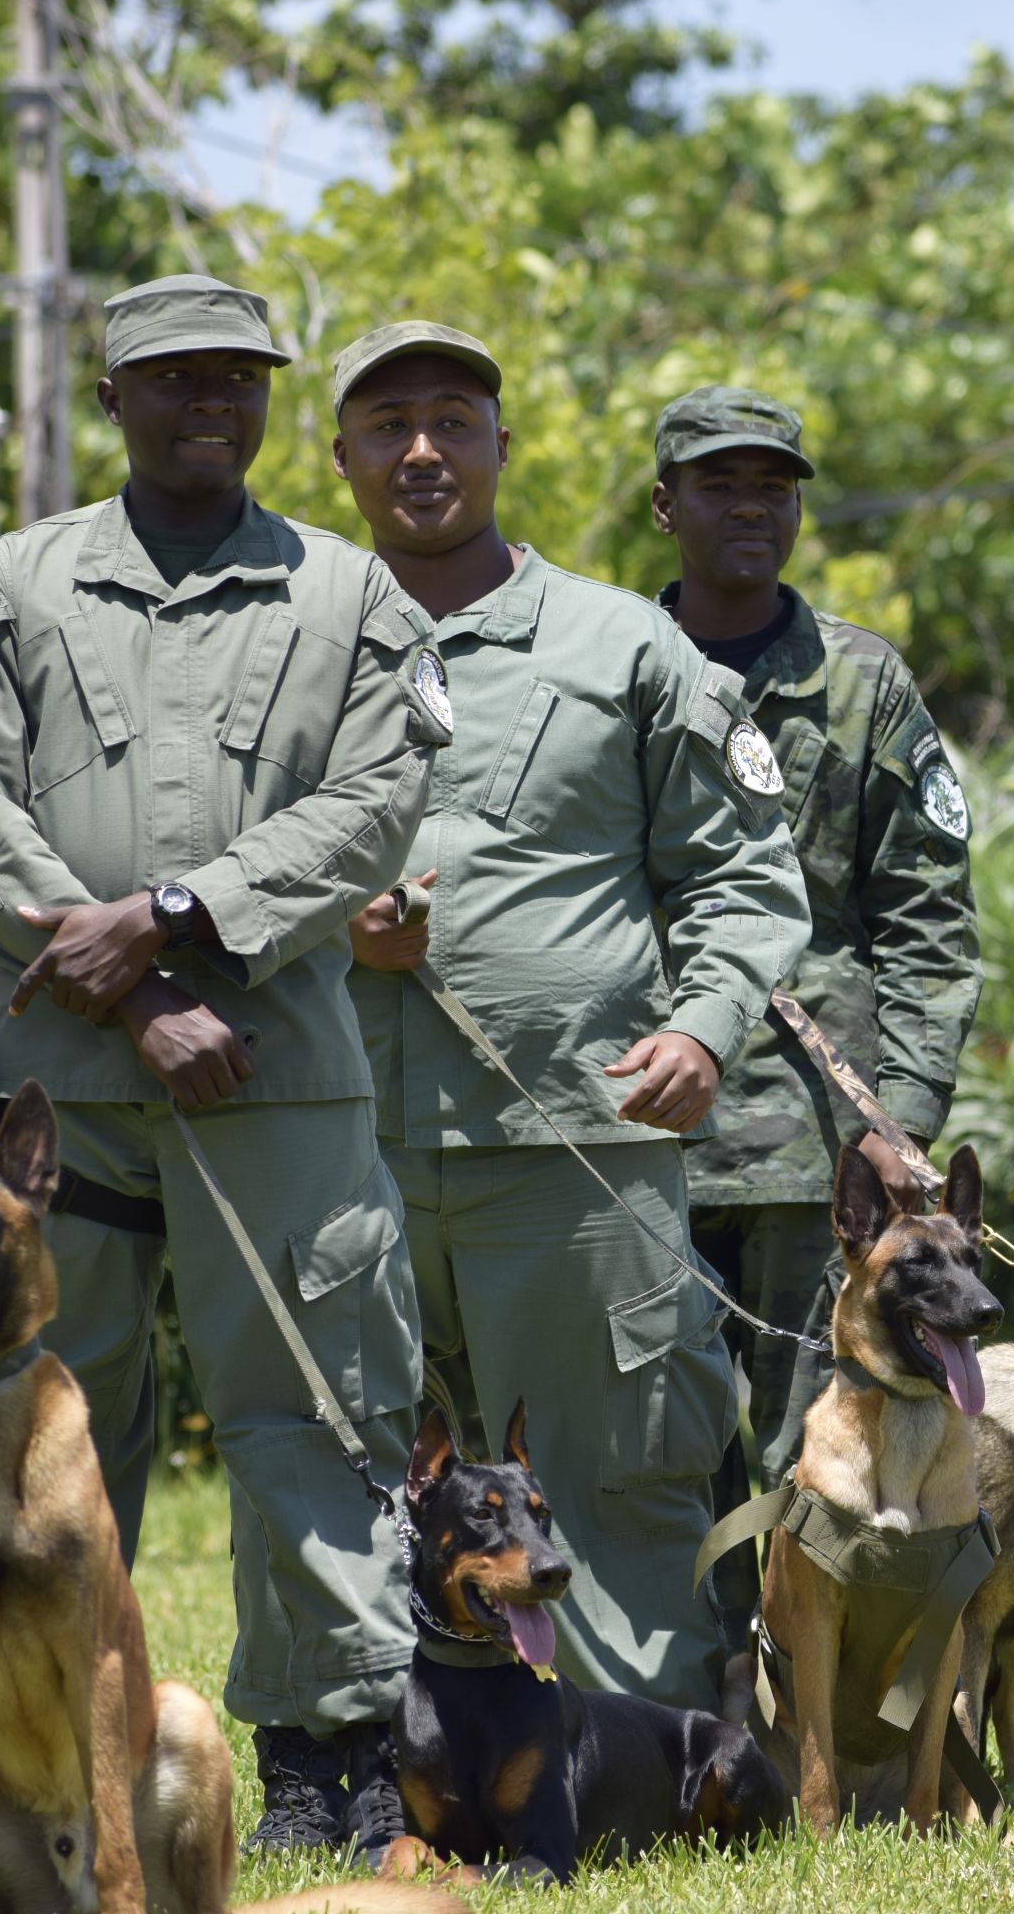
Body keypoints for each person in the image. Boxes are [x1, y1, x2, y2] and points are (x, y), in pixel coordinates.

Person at [0, 274, 447, 1860]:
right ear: (114, 391)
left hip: (272, 1073)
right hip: (55, 1099)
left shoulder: (353, 596)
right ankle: (44, 1777)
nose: (209, 398)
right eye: (172, 376)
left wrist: (184, 914)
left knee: (314, 1415)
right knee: (51, 1433)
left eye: (238, 375)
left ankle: (334, 1770)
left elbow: (374, 808)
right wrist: (134, 999)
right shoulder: (3, 591)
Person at [330, 321, 807, 1716]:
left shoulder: (626, 642)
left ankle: (648, 1773)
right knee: (356, 1485)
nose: (423, 449)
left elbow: (743, 866)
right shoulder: (293, 637)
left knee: (616, 1477)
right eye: (388, 424)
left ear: (499, 444)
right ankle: (376, 1780)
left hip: (575, 1153)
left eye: (455, 420)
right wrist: (326, 928)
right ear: (344, 453)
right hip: (339, 1142)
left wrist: (706, 1027)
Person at [649, 387, 981, 1638]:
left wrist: (908, 1119)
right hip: (643, 1120)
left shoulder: (862, 682)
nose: (750, 507)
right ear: (665, 504)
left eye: (773, 486)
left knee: (814, 1445)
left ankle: (810, 1715)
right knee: (661, 1433)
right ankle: (691, 1693)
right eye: (720, 484)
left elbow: (928, 919)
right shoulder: (615, 661)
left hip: (815, 1149)